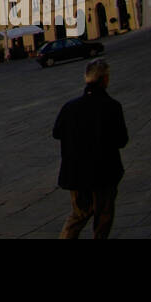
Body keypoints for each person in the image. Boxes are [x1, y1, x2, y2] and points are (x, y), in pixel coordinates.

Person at [53, 59, 128, 239]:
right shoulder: (112, 106)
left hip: (76, 173)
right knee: (103, 218)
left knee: (78, 215)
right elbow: (121, 140)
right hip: (104, 172)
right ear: (104, 80)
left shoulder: (69, 107)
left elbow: (57, 133)